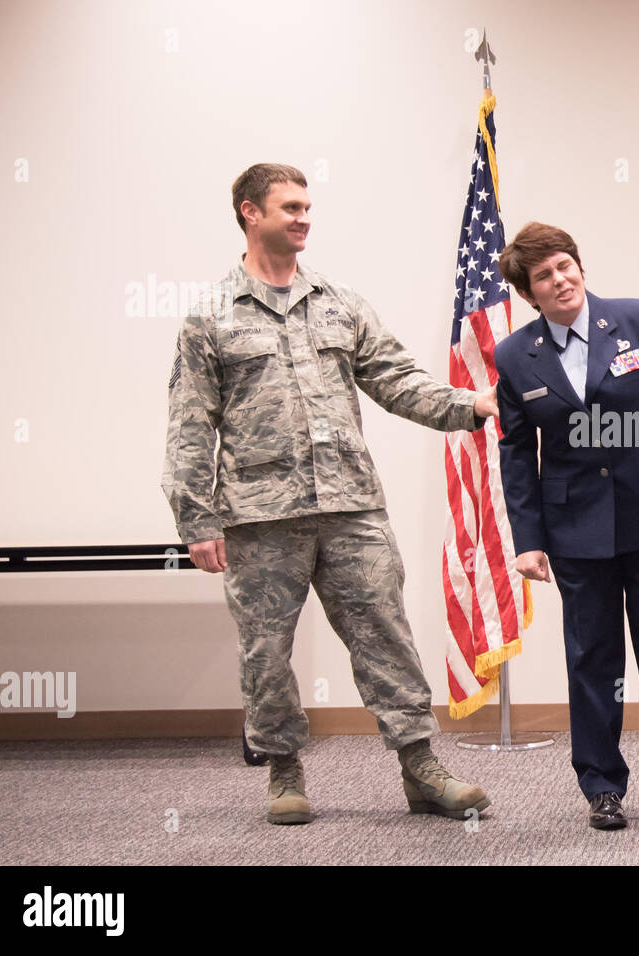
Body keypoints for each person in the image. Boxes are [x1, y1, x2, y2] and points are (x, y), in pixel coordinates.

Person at [162, 163, 498, 825]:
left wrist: (471, 405)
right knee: (266, 650)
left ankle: (420, 768)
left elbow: (398, 380)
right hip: (260, 517)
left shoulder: (341, 304)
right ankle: (284, 772)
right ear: (249, 212)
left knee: (387, 637)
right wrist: (195, 517)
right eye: (289, 207)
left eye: (307, 207)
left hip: (351, 507)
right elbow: (190, 423)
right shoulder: (210, 315)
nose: (303, 217)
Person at [493, 223, 639, 830]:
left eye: (565, 265)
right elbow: (517, 452)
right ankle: (601, 785)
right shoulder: (515, 355)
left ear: (580, 267)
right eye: (544, 275)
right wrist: (529, 539)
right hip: (573, 531)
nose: (559, 279)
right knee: (592, 659)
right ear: (529, 294)